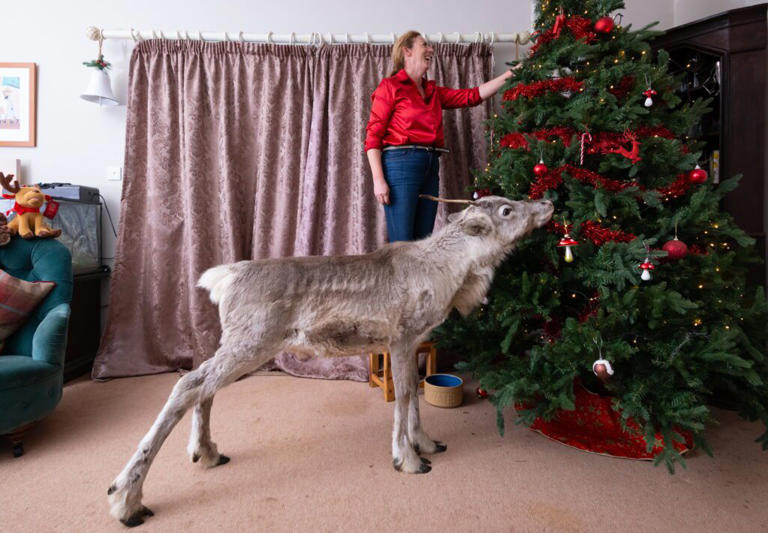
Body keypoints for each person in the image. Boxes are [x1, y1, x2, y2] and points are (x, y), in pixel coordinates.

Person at [365, 30, 518, 242]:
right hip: (400, 164)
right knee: (402, 244)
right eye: (424, 45)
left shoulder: (433, 91)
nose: (431, 49)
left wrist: (510, 76)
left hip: (430, 164)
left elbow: (471, 96)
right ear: (407, 51)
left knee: (424, 243)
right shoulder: (390, 87)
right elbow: (373, 136)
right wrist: (378, 180)